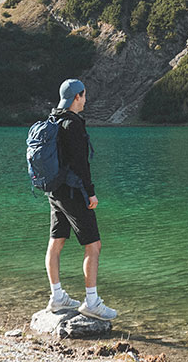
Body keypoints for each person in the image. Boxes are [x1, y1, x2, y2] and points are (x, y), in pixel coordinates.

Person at [44, 78, 118, 320]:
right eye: (84, 95)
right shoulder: (73, 124)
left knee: (56, 242)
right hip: (74, 192)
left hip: (54, 192)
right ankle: (92, 301)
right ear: (77, 97)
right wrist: (91, 192)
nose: (86, 99)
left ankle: (57, 297)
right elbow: (80, 164)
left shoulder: (53, 118)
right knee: (93, 245)